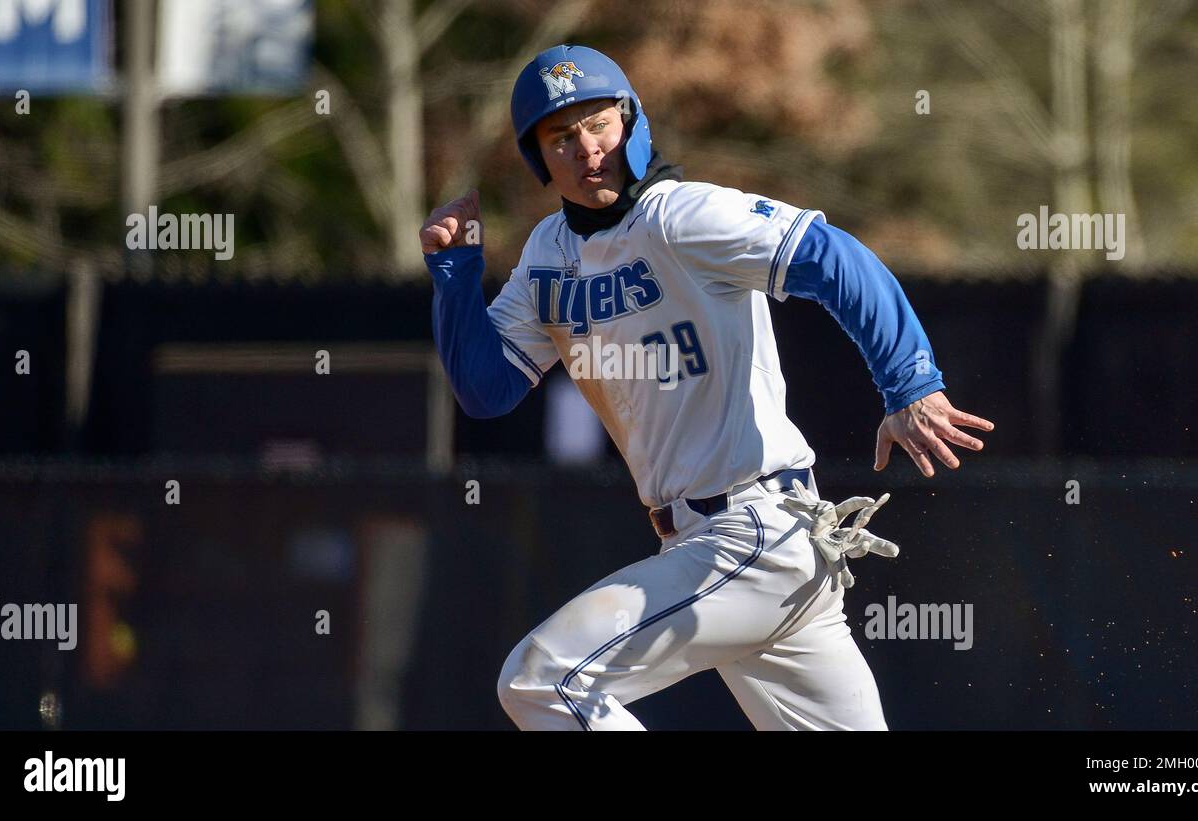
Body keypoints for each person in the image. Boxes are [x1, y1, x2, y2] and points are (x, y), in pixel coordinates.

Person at [421, 44, 994, 730]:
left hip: (749, 535)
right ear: (538, 158)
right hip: (739, 551)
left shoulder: (678, 216)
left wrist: (911, 385)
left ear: (632, 121)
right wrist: (456, 276)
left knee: (541, 679)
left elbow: (834, 255)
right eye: (560, 137)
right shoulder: (548, 255)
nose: (586, 148)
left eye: (599, 123)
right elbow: (488, 392)